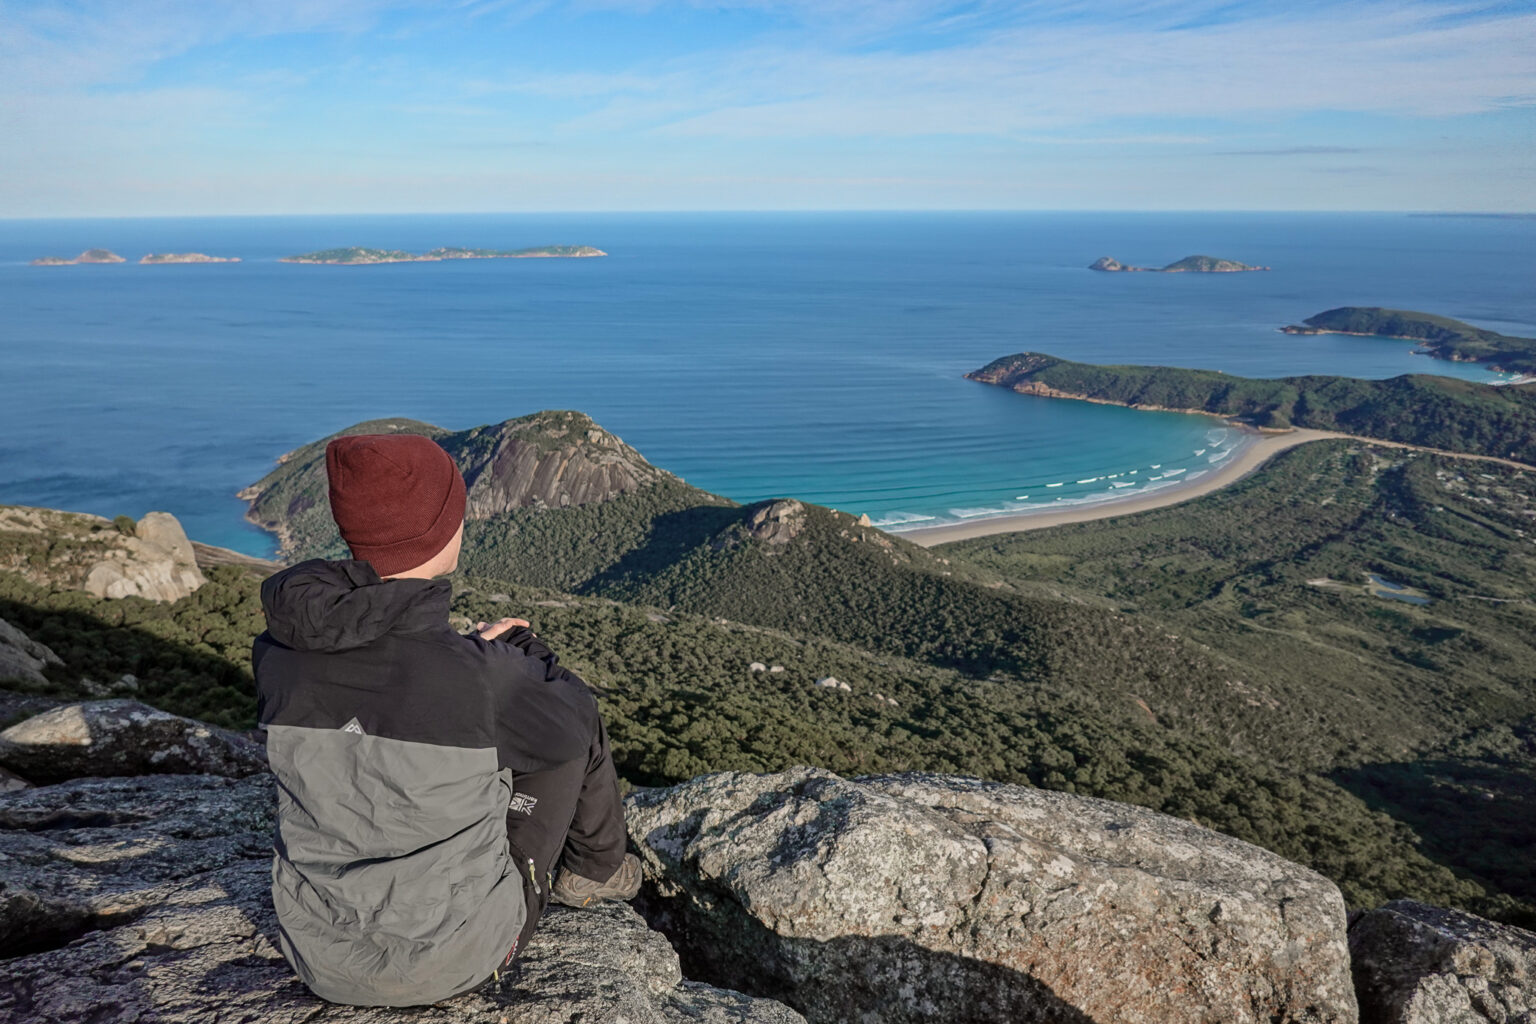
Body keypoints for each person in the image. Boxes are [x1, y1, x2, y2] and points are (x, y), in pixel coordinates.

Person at [253, 432, 640, 1007]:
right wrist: (522, 659)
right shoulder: (483, 680)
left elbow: (385, 684)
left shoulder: (278, 651)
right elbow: (568, 720)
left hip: (319, 953)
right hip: (455, 959)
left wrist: (464, 656)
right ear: (449, 523)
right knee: (569, 716)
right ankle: (597, 873)